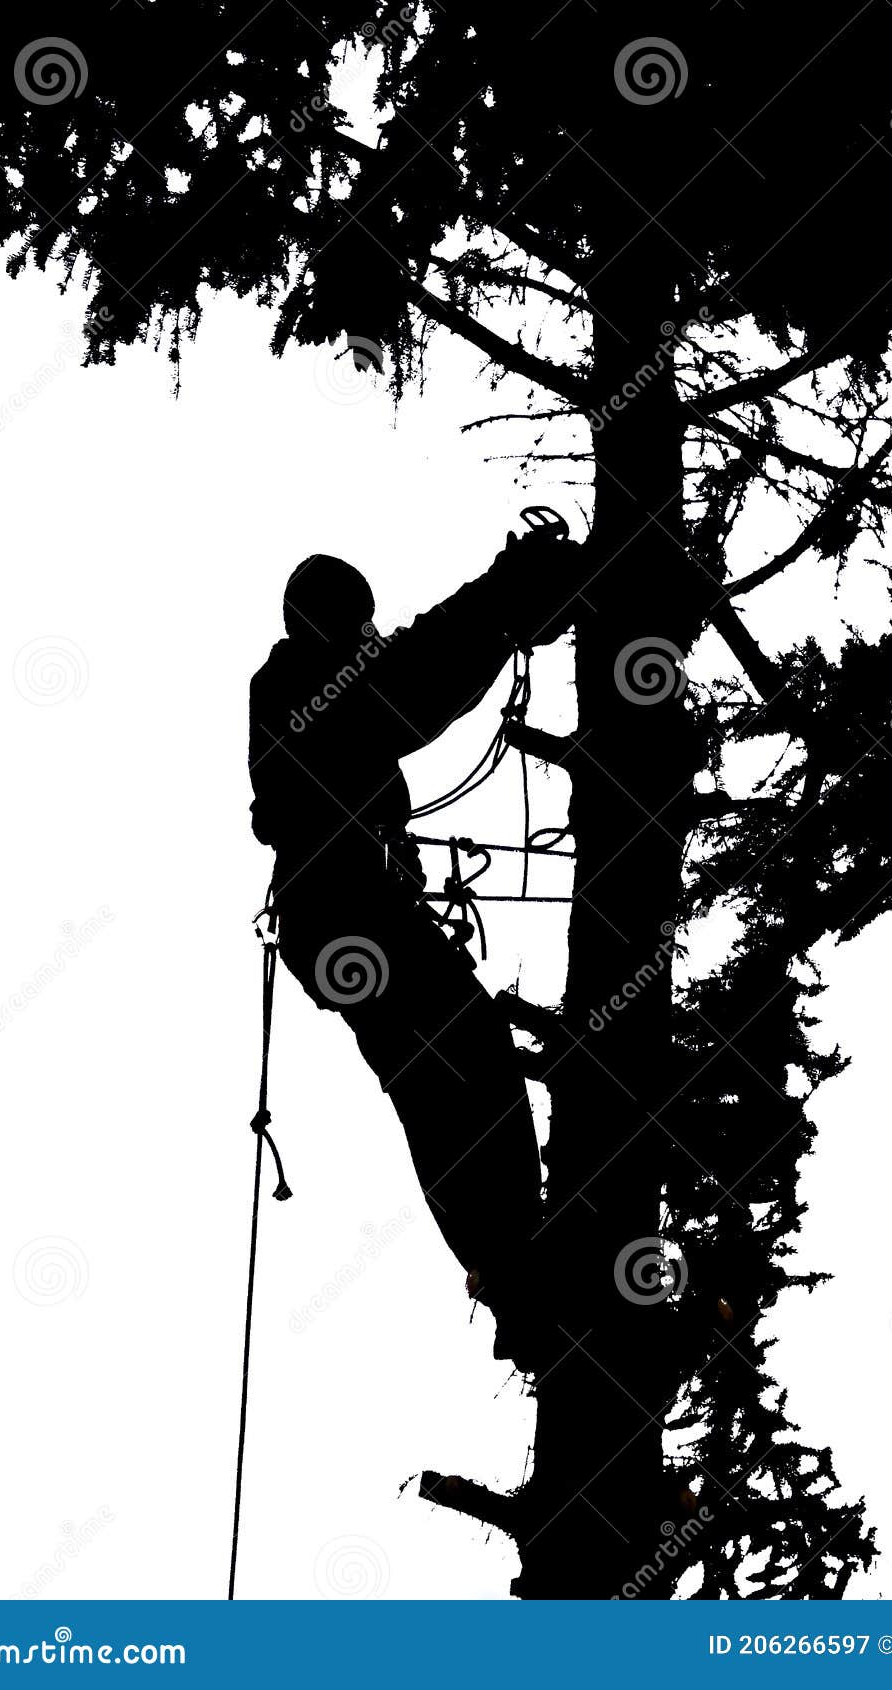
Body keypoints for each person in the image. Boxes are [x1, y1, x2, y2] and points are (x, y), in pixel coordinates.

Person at [248, 525, 585, 1367]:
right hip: (346, 914)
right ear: (322, 625)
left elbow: (411, 673)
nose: (369, 638)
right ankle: (516, 1271)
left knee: (446, 1080)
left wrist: (505, 610)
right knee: (461, 1060)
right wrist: (505, 599)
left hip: (345, 919)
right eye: (356, 625)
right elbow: (405, 687)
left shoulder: (314, 686)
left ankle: (515, 1273)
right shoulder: (300, 684)